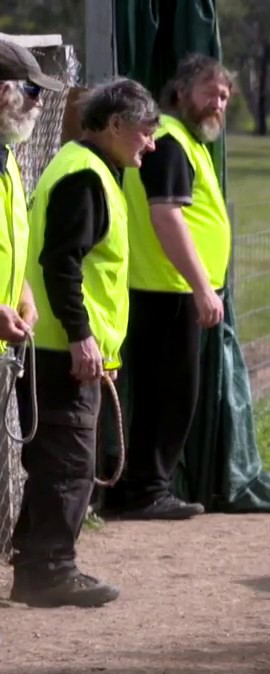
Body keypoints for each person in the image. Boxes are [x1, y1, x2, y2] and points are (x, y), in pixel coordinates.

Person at [9, 77, 158, 608]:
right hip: (61, 348)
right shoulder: (86, 177)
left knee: (58, 458)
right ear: (115, 125)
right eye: (146, 130)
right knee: (70, 462)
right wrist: (81, 338)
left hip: (58, 345)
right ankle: (49, 569)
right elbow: (61, 263)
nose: (152, 142)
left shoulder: (83, 167)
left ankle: (36, 558)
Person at [103, 54, 235, 521]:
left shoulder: (188, 142)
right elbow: (167, 214)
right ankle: (147, 490)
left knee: (165, 394)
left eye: (224, 95)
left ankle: (135, 486)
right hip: (169, 289)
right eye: (209, 92)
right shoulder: (174, 141)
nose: (218, 102)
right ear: (180, 92)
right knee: (173, 395)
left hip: (168, 288)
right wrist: (202, 288)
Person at [0, 39, 63, 563]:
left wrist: (21, 294)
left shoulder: (10, 160)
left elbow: (10, 243)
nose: (40, 104)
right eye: (30, 90)